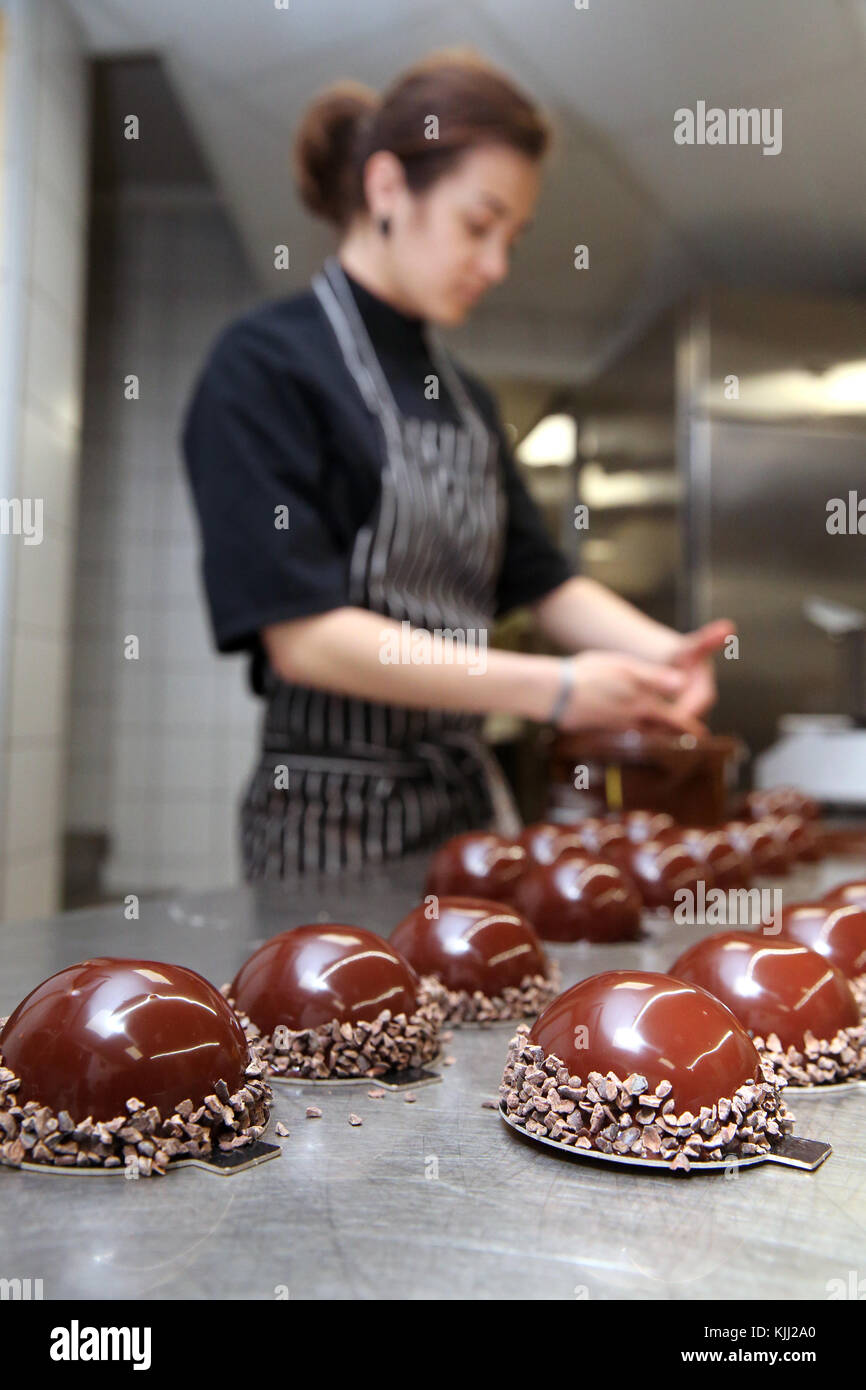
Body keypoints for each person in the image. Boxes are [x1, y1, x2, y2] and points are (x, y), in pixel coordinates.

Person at [182, 49, 733, 877]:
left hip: (467, 825)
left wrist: (666, 654)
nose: (497, 265)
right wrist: (552, 690)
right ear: (386, 189)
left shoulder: (467, 400)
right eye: (479, 225)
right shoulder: (264, 365)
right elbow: (307, 640)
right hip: (328, 826)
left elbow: (543, 582)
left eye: (511, 236)